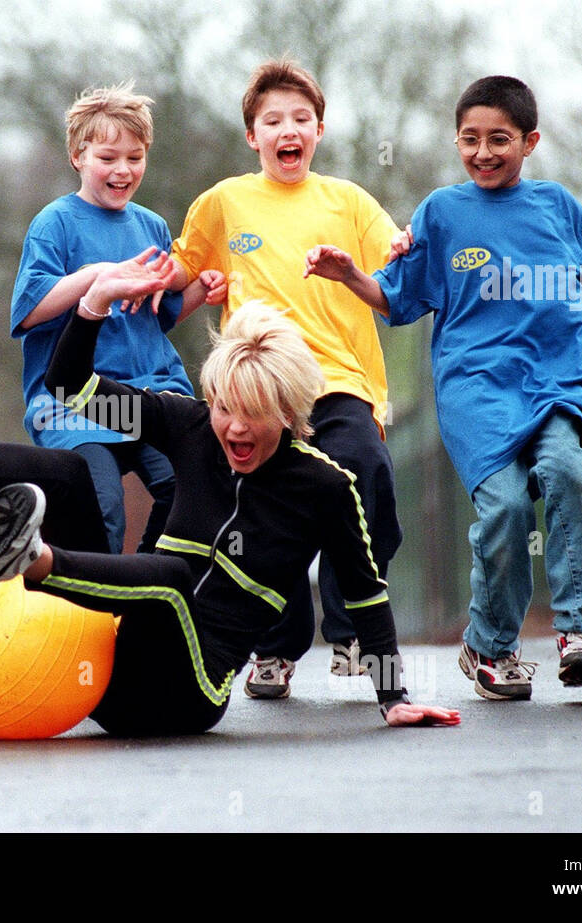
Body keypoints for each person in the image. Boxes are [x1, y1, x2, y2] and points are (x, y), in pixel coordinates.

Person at [0, 257, 459, 735]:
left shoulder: (327, 485)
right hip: (107, 674)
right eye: (225, 409)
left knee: (172, 580)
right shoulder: (187, 424)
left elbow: (367, 595)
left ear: (289, 414)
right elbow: (71, 388)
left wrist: (394, 699)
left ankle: (30, 559)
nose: (235, 429)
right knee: (73, 476)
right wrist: (92, 304)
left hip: (184, 693)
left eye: (254, 415)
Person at [304, 75, 582, 700]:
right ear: (457, 142)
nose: (483, 152)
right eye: (470, 140)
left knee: (571, 476)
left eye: (499, 139)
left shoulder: (556, 206)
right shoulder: (441, 214)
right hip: (476, 388)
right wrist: (348, 276)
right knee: (504, 507)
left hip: (554, 384)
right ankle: (490, 644)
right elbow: (394, 297)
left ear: (529, 142)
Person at [164, 58, 410, 698]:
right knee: (264, 511)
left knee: (364, 472)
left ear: (319, 130)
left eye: (300, 118)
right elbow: (178, 278)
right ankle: (273, 647)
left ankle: (351, 626)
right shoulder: (223, 202)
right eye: (273, 120)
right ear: (254, 136)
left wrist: (414, 246)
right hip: (256, 386)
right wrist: (158, 291)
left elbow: (396, 262)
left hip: (336, 378)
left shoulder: (349, 200)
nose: (287, 129)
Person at [11, 83, 223, 555]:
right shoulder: (55, 223)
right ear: (78, 157)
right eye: (108, 157)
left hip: (149, 392)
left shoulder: (152, 226)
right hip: (79, 401)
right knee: (103, 506)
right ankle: (89, 613)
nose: (123, 170)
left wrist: (199, 291)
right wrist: (95, 277)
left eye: (135, 157)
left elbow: (157, 318)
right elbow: (29, 313)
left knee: (191, 489)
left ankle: (144, 584)